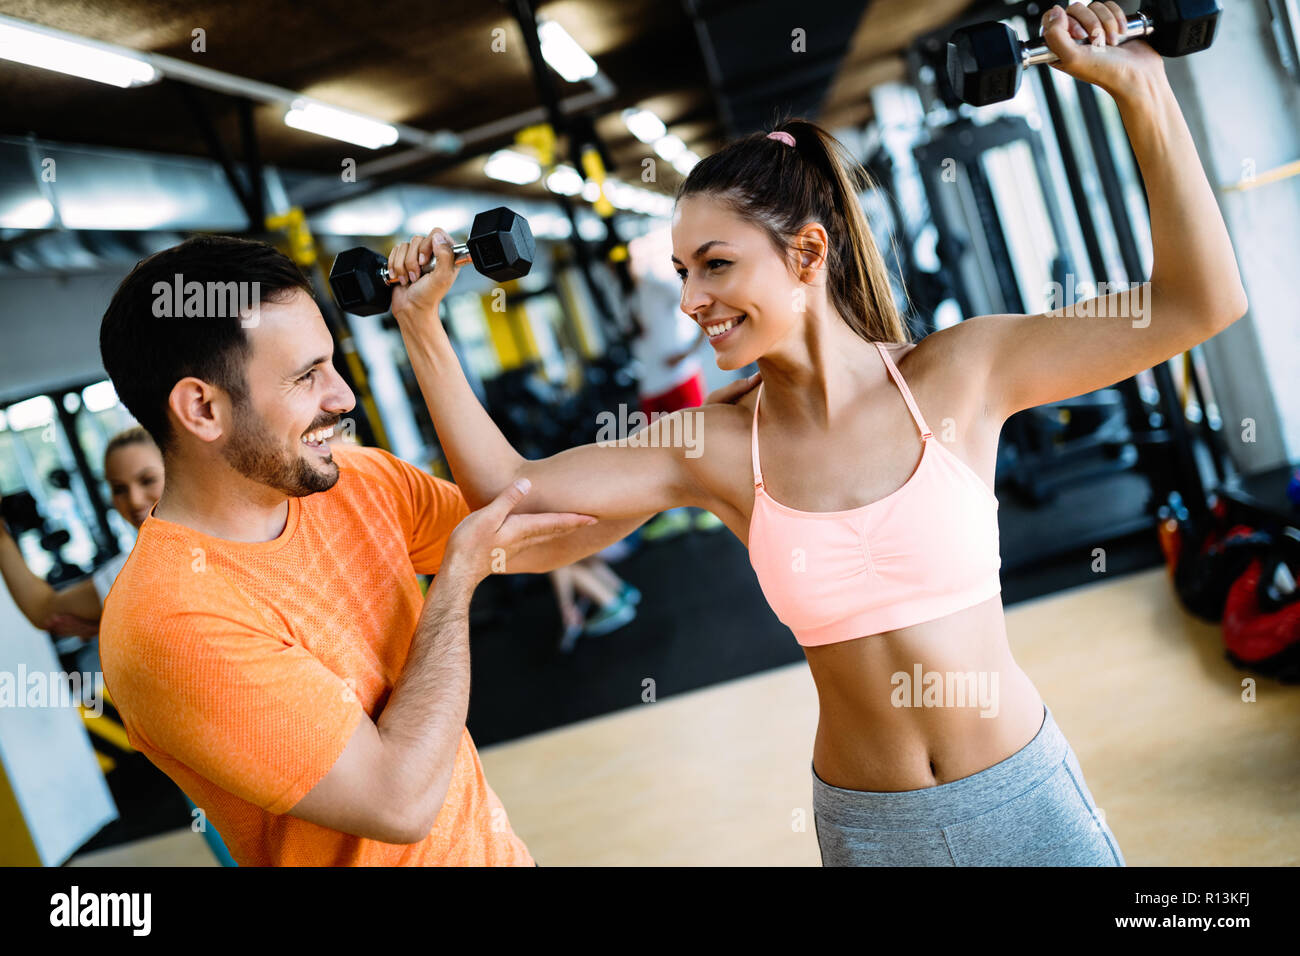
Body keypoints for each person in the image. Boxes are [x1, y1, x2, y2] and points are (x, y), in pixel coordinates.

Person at [380, 1, 1248, 866]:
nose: (690, 300)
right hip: (871, 832)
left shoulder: (963, 373)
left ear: (806, 253)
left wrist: (1141, 89)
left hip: (1019, 797)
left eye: (716, 265)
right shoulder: (712, 448)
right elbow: (506, 492)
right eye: (684, 271)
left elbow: (1196, 302)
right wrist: (422, 331)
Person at [95, 235, 648, 866]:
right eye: (307, 376)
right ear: (202, 408)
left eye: (330, 364)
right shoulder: (167, 622)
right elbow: (397, 803)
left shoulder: (356, 482)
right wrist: (457, 577)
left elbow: (547, 527)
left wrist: (688, 457)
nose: (343, 397)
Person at [0, 427, 162, 671]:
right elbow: (44, 610)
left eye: (147, 480)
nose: (135, 500)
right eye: (119, 489)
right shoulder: (126, 575)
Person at [628, 270, 723, 540]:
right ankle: (675, 515)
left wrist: (690, 349)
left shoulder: (656, 284)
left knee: (697, 445)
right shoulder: (626, 298)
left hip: (680, 377)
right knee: (660, 452)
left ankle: (716, 506)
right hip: (650, 384)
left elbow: (702, 308)